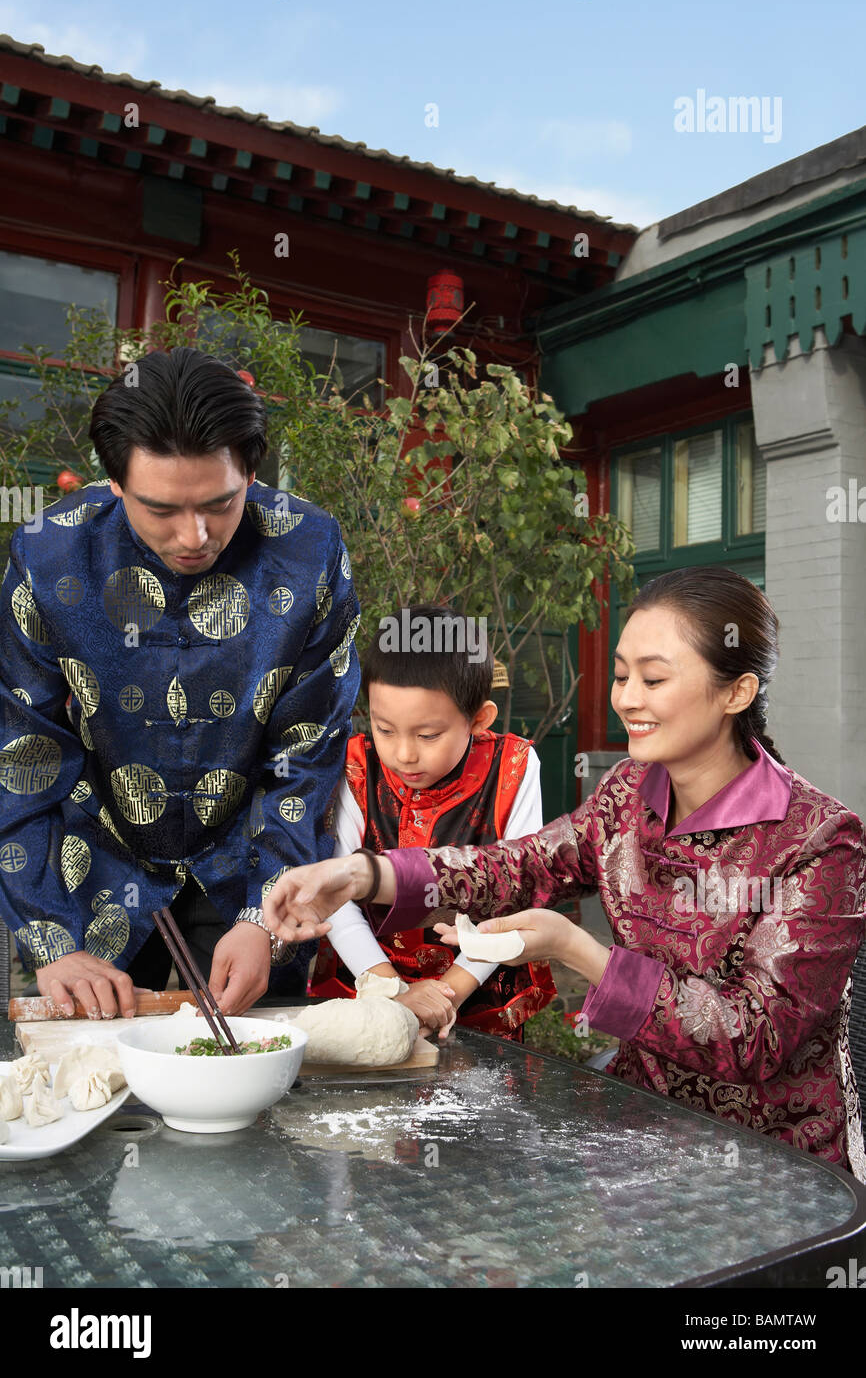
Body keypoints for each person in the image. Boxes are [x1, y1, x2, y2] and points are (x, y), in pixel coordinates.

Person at [263, 566, 866, 1178]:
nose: (627, 697)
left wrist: (577, 949)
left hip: (774, 1165)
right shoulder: (628, 793)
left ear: (736, 692)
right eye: (624, 674)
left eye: (653, 678)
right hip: (642, 1130)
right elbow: (515, 866)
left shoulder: (820, 842)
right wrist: (364, 876)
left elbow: (754, 1038)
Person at [0, 347, 360, 1019]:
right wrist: (49, 940)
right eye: (161, 509)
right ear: (114, 483)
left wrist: (266, 912)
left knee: (254, 1071)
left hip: (251, 858)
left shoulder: (309, 550)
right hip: (94, 862)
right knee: (87, 1079)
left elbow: (309, 750)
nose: (194, 535)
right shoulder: (48, 557)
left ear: (250, 472)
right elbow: (24, 753)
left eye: (220, 503)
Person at [310, 606, 557, 1040]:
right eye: (385, 729)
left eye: (428, 736)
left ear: (479, 719)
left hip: (476, 987)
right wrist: (390, 990)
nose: (404, 754)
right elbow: (336, 890)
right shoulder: (357, 766)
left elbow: (515, 894)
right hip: (369, 976)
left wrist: (445, 996)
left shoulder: (513, 767)